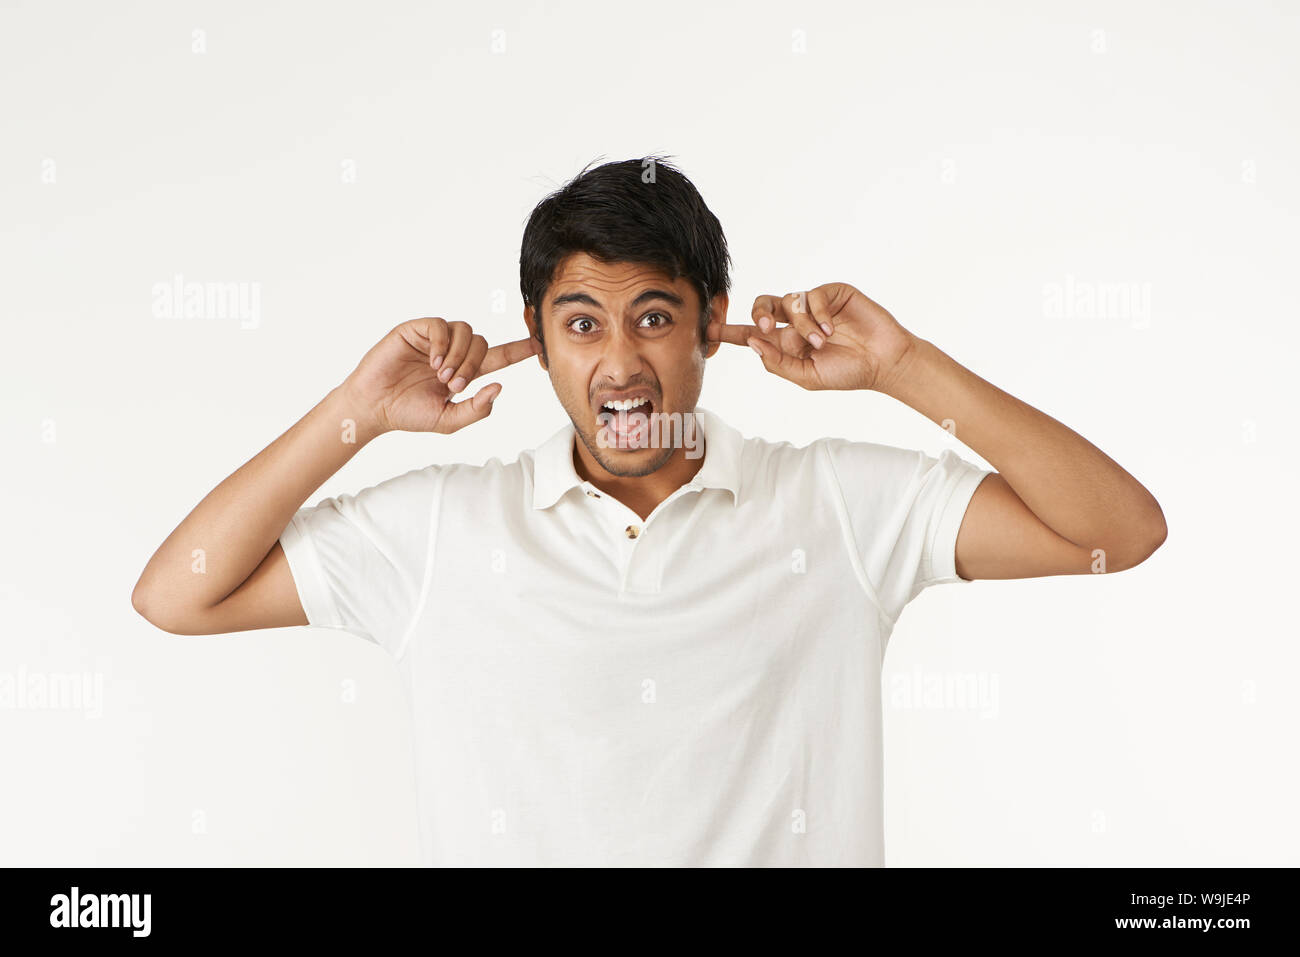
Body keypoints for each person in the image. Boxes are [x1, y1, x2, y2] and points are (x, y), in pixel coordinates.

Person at [131, 155, 1167, 866]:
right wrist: (355, 414)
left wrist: (900, 366)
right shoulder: (443, 528)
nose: (620, 363)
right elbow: (177, 594)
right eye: (581, 322)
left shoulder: (837, 505)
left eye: (655, 317)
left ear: (712, 324)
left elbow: (1115, 532)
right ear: (537, 338)